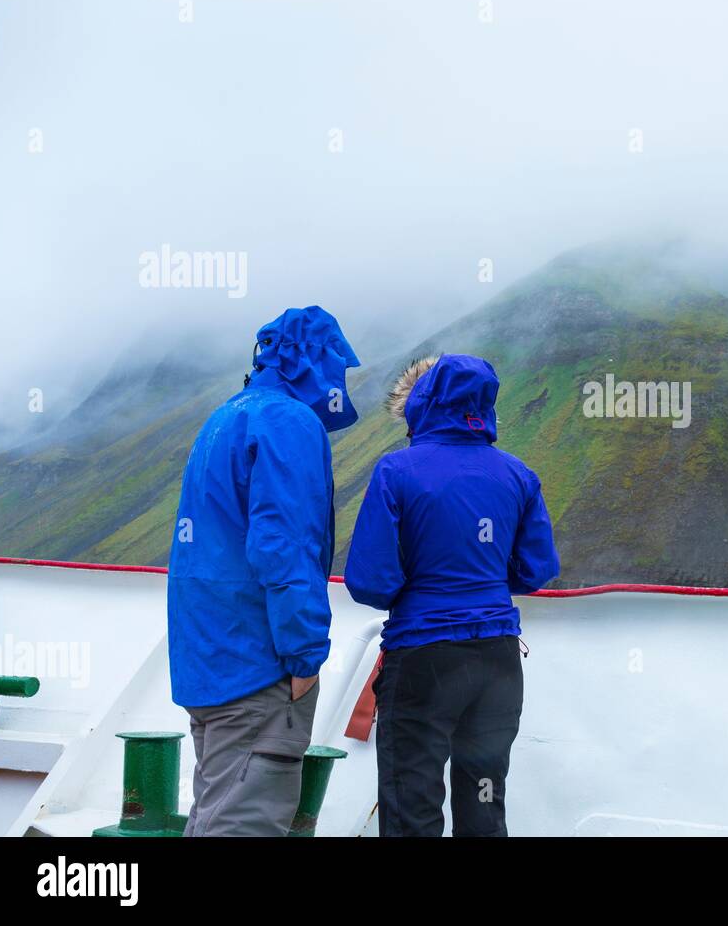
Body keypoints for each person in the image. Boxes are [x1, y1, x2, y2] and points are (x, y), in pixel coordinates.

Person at [345, 353, 560, 836]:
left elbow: (370, 581)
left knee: (411, 805)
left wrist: (425, 586)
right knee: (484, 803)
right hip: (498, 660)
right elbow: (536, 569)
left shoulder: (396, 471)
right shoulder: (518, 475)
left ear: (422, 401)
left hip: (423, 659)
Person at [168, 306, 360, 837]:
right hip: (259, 664)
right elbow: (285, 546)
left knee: (215, 813)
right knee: (246, 821)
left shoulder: (225, 416)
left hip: (208, 660)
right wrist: (304, 658)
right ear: (314, 360)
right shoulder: (287, 421)